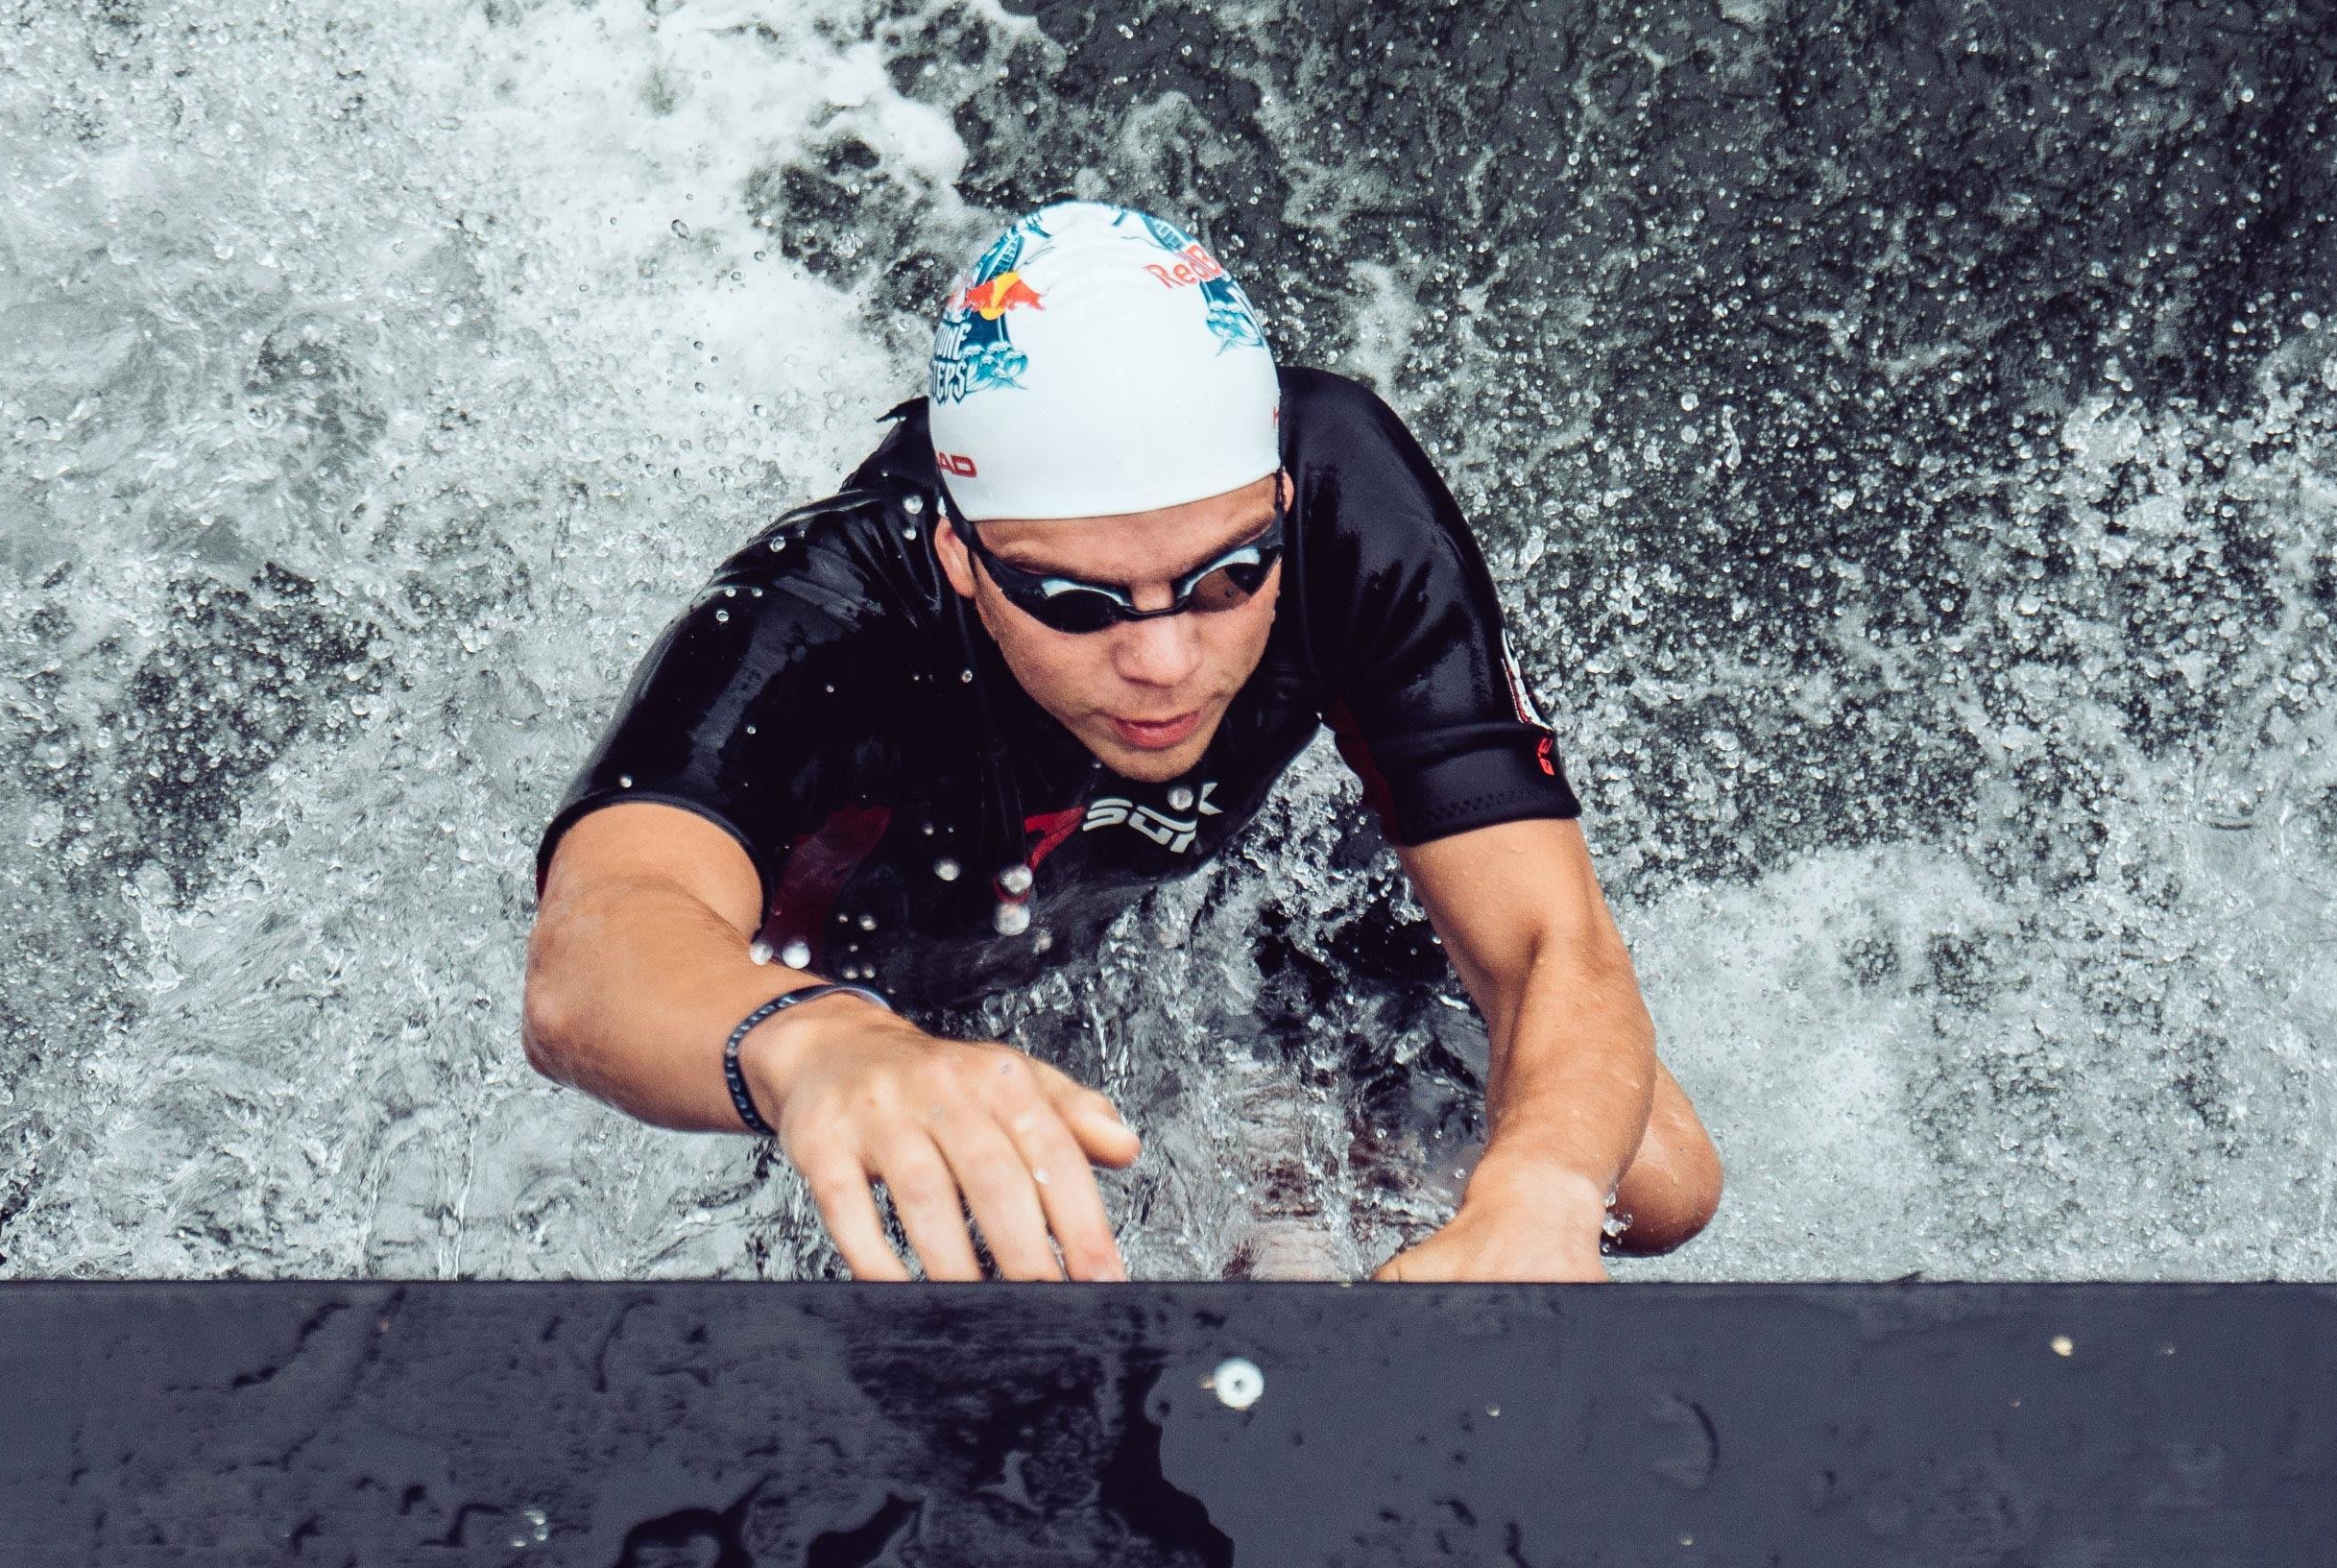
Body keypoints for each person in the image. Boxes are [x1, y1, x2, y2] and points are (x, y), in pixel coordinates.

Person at [522, 201, 1721, 1281]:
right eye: (1078, 603)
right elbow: (592, 949)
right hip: (905, 991)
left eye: (1226, 579)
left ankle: (1301, 1190)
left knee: (1653, 1177)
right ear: (962, 560)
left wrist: (1537, 1193)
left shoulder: (1343, 491)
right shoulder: (828, 614)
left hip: (1190, 903)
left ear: (1279, 512)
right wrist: (818, 1044)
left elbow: (1552, 937)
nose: (1162, 663)